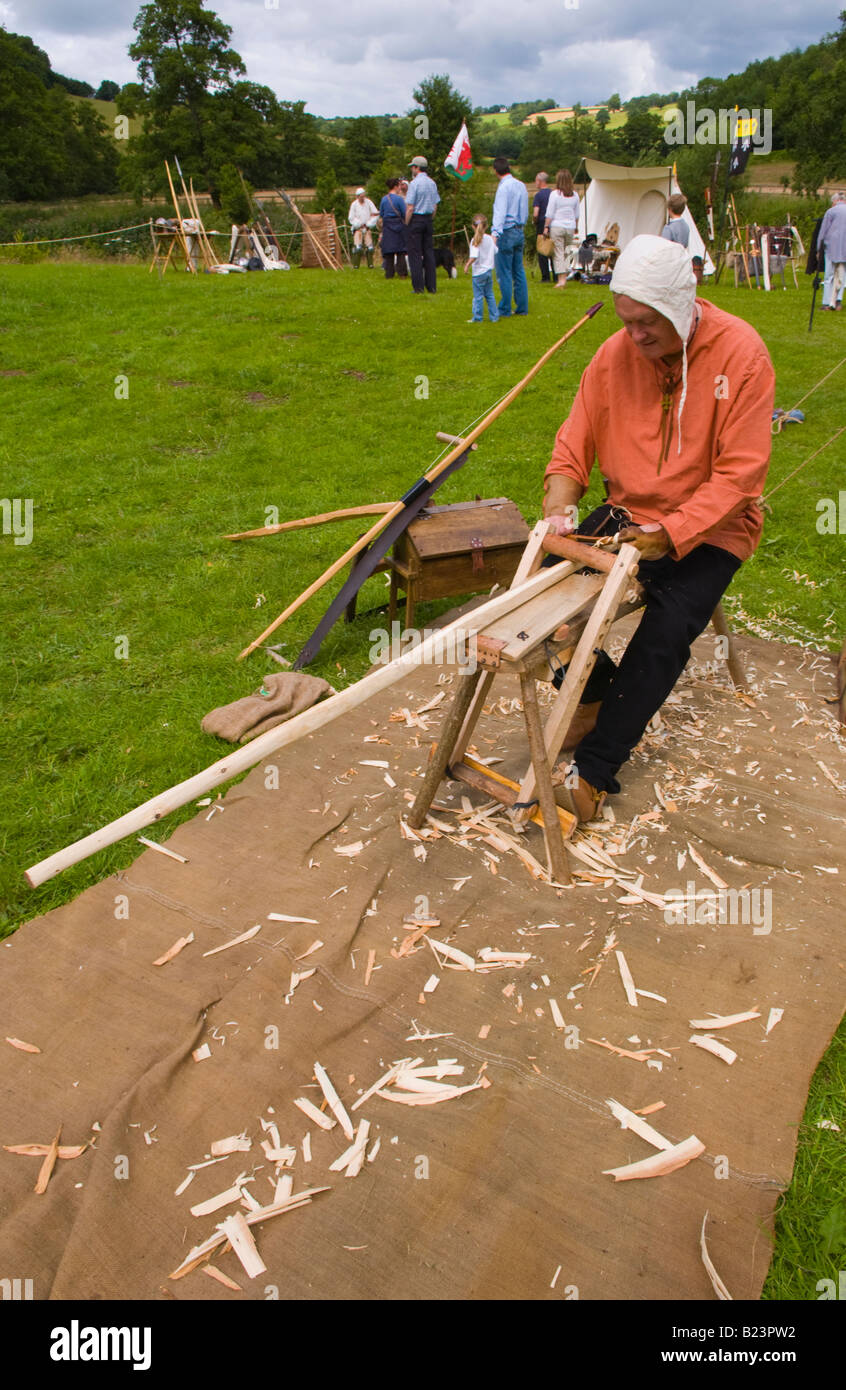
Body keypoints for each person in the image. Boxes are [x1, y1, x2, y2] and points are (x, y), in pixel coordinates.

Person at [542, 234, 775, 822]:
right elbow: (574, 441)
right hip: (628, 511)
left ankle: (594, 770)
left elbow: (740, 476)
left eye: (648, 323)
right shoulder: (613, 355)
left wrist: (670, 534)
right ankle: (594, 695)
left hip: (713, 524)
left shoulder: (742, 356)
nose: (636, 335)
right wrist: (559, 508)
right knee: (543, 597)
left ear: (681, 308)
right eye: (627, 321)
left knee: (665, 631)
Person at [491, 156, 529, 316]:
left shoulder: (503, 188)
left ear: (495, 171)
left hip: (506, 231)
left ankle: (504, 308)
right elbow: (525, 210)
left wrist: (495, 234)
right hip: (519, 230)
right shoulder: (521, 185)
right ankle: (522, 307)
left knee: (504, 272)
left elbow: (500, 212)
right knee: (518, 271)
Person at [405, 155, 440, 294]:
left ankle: (418, 287)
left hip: (416, 220)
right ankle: (432, 286)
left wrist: (406, 223)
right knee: (429, 253)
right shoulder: (432, 183)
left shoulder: (414, 184)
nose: (412, 169)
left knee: (415, 254)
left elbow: (410, 207)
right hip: (428, 219)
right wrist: (430, 218)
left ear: (417, 168)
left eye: (413, 167)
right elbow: (435, 205)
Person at [544, 168, 581, 287]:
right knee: (567, 252)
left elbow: (550, 213)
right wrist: (576, 226)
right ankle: (564, 276)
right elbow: (577, 214)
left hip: (557, 225)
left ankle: (561, 279)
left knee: (558, 253)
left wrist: (546, 227)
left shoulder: (555, 194)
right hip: (570, 226)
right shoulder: (575, 195)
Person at [464, 214, 498, 323]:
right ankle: (494, 317)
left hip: (478, 273)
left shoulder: (475, 240)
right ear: (486, 226)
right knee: (489, 294)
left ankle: (477, 318)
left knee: (478, 296)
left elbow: (474, 256)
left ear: (472, 226)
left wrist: (467, 265)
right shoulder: (489, 239)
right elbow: (496, 251)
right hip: (488, 271)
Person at [818, 191, 846, 311]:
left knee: (829, 276)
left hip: (831, 247)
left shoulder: (831, 212)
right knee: (842, 275)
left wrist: (818, 248)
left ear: (835, 201)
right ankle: (838, 301)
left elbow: (823, 231)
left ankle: (827, 302)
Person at [379, 177, 408, 279]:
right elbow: (404, 213)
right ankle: (402, 274)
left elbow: (381, 214)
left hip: (387, 227)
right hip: (399, 226)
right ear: (395, 187)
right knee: (400, 251)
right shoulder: (399, 199)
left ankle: (389, 274)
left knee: (389, 252)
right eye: (399, 186)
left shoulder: (384, 199)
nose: (400, 188)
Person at [532, 172, 554, 283]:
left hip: (542, 224)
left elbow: (536, 213)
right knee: (553, 249)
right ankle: (556, 275)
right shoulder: (553, 193)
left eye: (536, 180)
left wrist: (534, 221)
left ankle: (545, 276)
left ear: (540, 181)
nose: (535, 183)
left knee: (542, 249)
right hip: (553, 223)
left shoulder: (538, 196)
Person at [349, 188, 379, 268]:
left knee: (370, 248)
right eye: (361, 197)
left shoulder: (368, 202)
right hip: (358, 229)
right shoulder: (354, 204)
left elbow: (375, 214)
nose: (363, 198)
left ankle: (370, 265)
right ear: (357, 196)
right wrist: (358, 224)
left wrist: (369, 224)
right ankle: (356, 265)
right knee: (358, 248)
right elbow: (351, 218)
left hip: (367, 228)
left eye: (364, 196)